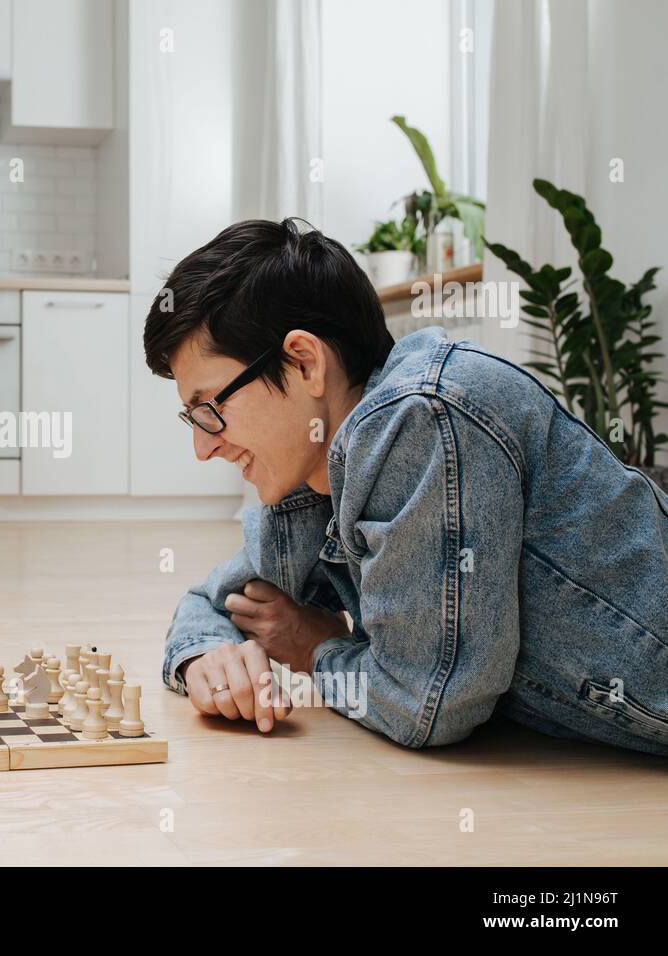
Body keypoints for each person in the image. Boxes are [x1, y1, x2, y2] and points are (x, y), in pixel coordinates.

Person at [145, 217, 668, 755]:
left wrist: (314, 650)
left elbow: (429, 703)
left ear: (304, 363)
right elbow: (212, 603)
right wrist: (208, 658)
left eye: (211, 408)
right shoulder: (311, 467)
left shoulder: (422, 417)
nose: (203, 447)